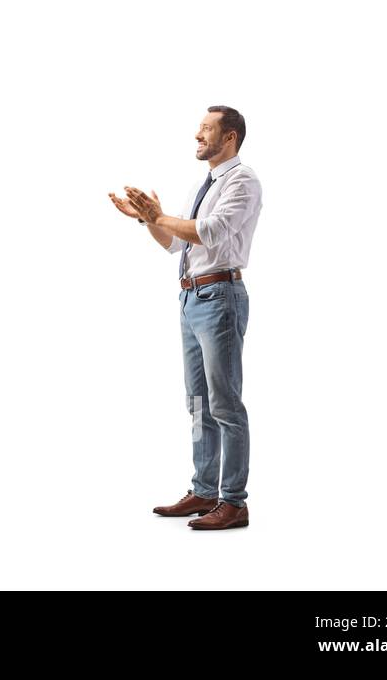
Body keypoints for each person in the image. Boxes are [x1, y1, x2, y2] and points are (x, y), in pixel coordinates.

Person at [108, 106, 263, 531]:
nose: (198, 134)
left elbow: (209, 231)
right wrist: (146, 218)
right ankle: (204, 489)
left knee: (225, 403)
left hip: (220, 296)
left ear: (229, 137)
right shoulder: (205, 183)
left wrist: (160, 217)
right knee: (197, 404)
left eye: (206, 129)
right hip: (192, 299)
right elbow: (176, 243)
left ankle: (234, 501)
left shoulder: (243, 180)